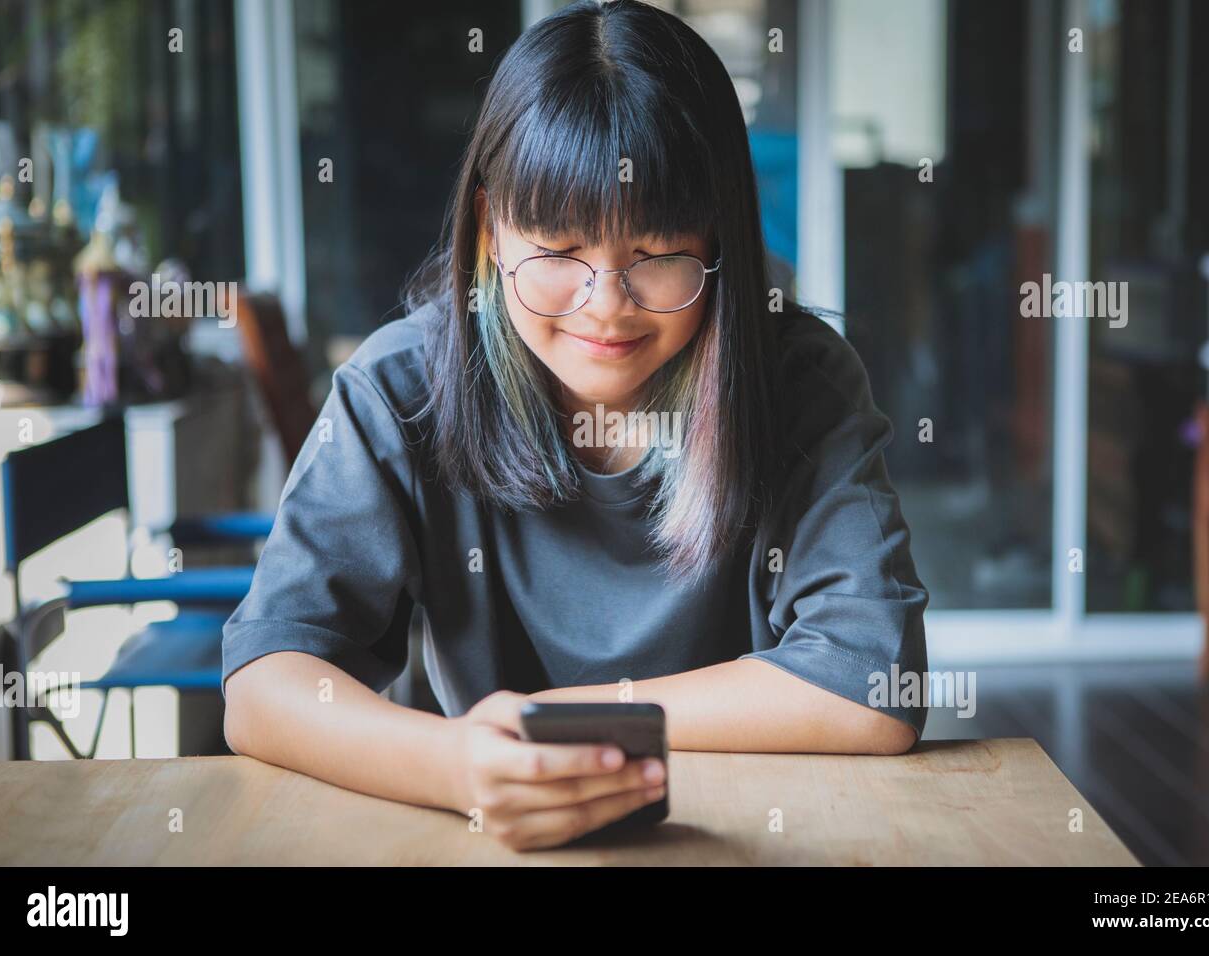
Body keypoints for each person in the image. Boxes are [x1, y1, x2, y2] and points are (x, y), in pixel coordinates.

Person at [223, 0, 928, 852]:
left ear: (720, 238)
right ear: (490, 230)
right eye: (559, 252)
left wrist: (552, 721)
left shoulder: (800, 383)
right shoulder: (398, 387)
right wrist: (454, 766)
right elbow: (263, 684)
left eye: (657, 252)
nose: (607, 307)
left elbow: (875, 683)